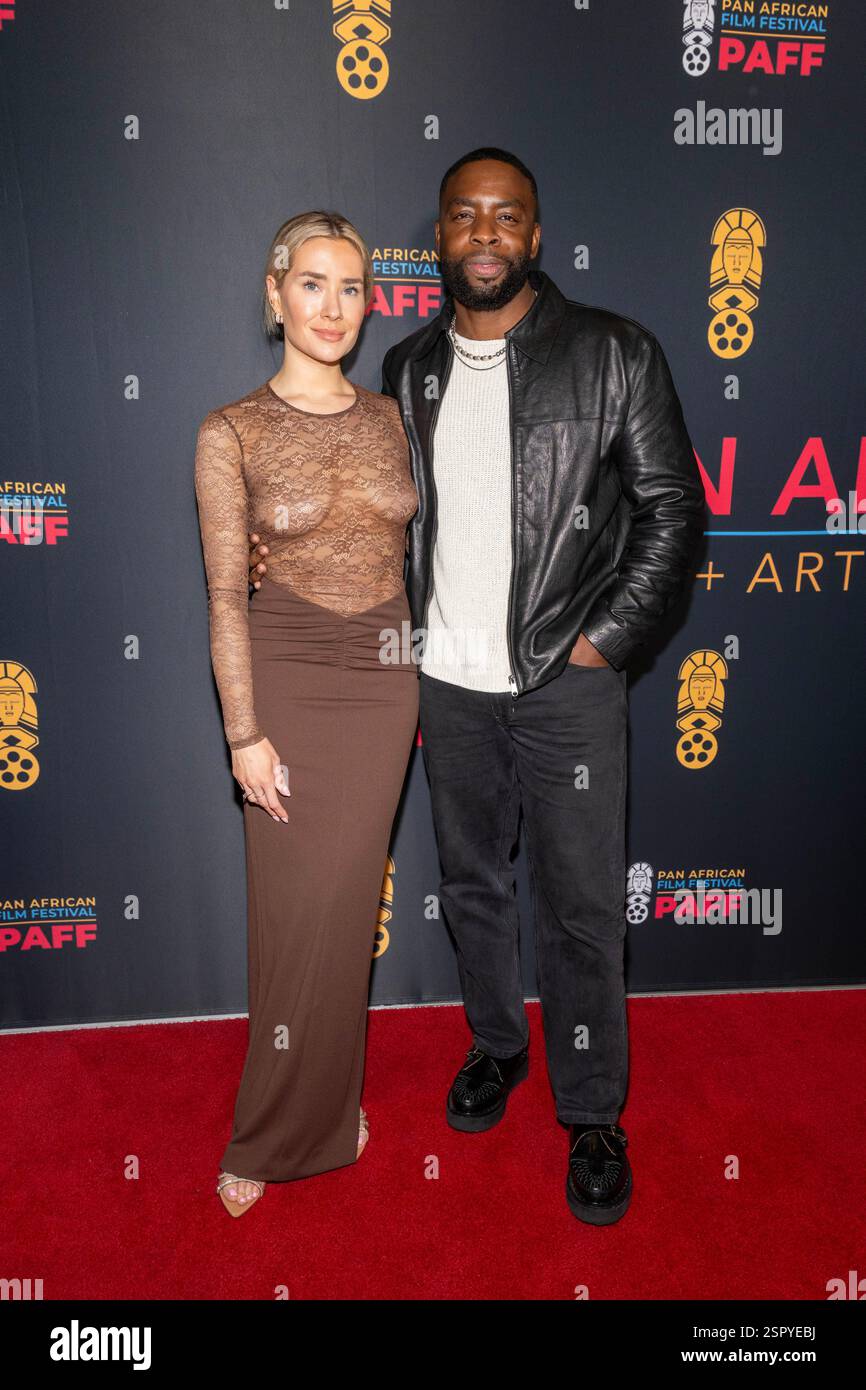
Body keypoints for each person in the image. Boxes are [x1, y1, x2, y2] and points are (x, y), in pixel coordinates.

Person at [248, 147, 706, 1226]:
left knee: (584, 910)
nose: (487, 233)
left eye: (508, 216)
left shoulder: (613, 352)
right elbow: (371, 514)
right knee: (474, 889)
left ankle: (590, 1109)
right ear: (440, 237)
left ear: (535, 237)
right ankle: (498, 1046)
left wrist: (598, 643)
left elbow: (672, 513)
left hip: (566, 683)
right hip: (442, 685)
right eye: (465, 216)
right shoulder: (409, 368)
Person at [194, 211, 419, 1217]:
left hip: (382, 681)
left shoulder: (386, 418)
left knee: (342, 912)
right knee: (292, 916)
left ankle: (329, 1108)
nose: (335, 307)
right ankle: (265, 1135)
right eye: (314, 284)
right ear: (276, 292)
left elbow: (407, 565)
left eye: (353, 287)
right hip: (282, 674)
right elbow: (222, 599)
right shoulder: (228, 430)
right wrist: (243, 730)